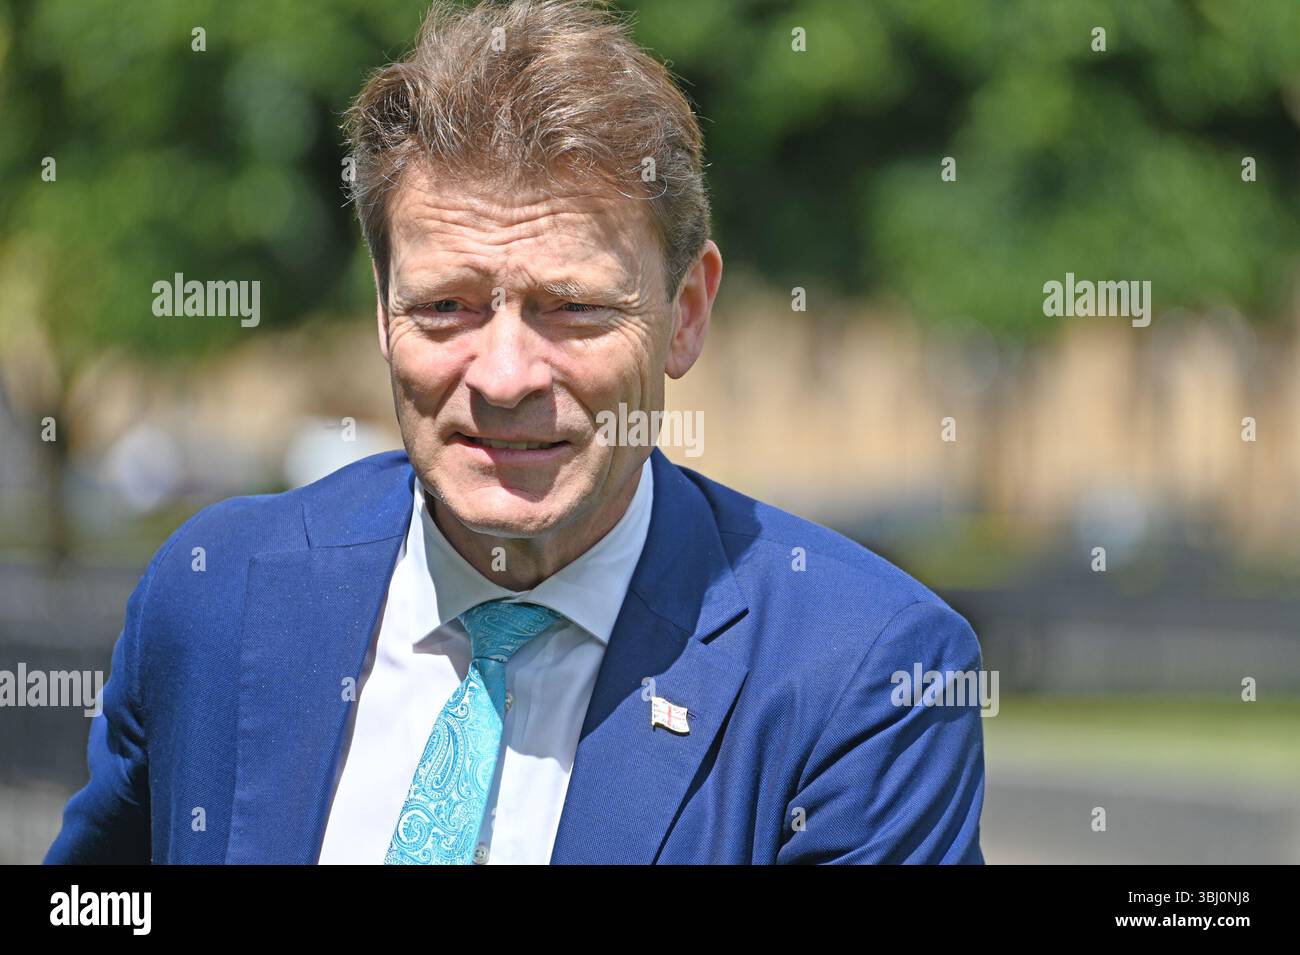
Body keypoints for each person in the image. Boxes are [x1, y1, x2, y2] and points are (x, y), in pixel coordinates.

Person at [45, 0, 984, 865]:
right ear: (382, 313)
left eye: (571, 307)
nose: (503, 377)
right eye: (446, 305)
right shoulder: (213, 598)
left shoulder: (864, 677)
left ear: (686, 313)